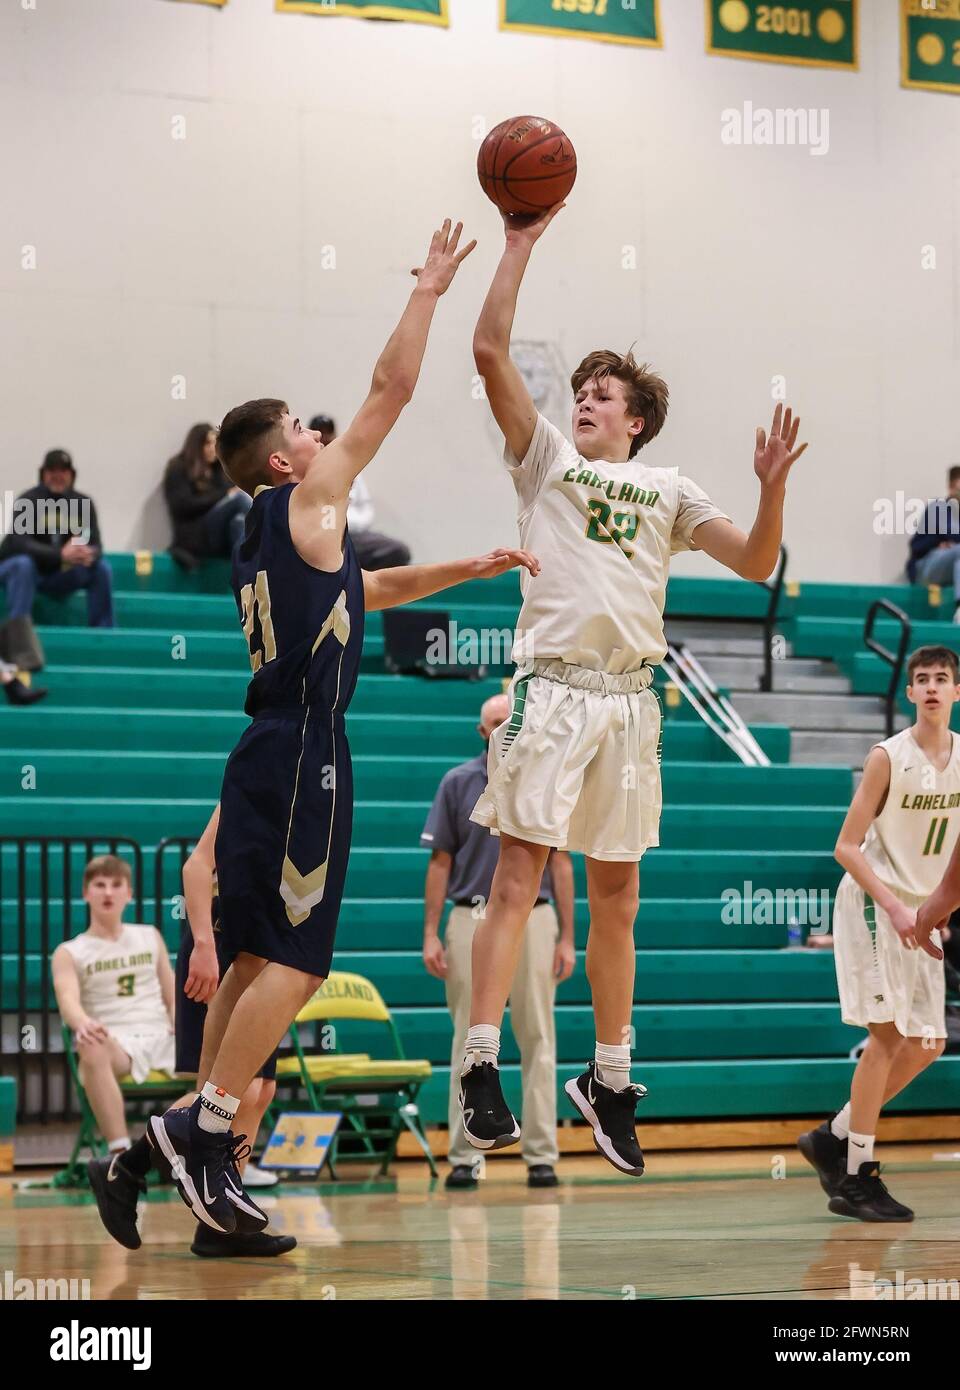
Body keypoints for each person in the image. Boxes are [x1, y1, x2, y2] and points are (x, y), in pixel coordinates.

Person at [145, 218, 540, 1237]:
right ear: (283, 460)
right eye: (306, 433)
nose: (326, 437)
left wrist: (479, 564)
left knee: (246, 963)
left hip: (266, 749)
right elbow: (394, 390)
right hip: (306, 747)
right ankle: (210, 1127)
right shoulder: (310, 495)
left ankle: (191, 1136)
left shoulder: (272, 541)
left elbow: (379, 584)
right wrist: (431, 291)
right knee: (302, 962)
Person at [461, 201, 807, 1176]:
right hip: (555, 689)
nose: (586, 401)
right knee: (520, 880)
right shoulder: (548, 461)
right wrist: (519, 242)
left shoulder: (668, 488)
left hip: (628, 702)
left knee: (618, 899)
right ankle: (481, 1063)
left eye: (604, 394)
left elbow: (755, 559)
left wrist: (772, 483)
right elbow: (489, 350)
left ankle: (610, 1079)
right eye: (581, 390)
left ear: (638, 419)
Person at [87, 807, 296, 1259]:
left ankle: (220, 1224)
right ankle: (124, 1169)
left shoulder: (313, 791)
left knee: (259, 1091)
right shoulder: (256, 776)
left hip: (267, 941)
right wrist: (203, 943)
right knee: (225, 1090)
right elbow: (196, 864)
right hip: (221, 940)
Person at [798, 645, 956, 1222]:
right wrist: (892, 906)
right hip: (875, 902)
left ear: (957, 692)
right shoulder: (888, 757)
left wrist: (940, 910)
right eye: (922, 679)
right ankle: (857, 1177)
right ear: (909, 692)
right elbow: (845, 846)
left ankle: (835, 1134)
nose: (933, 687)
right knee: (886, 1038)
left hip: (925, 908)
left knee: (929, 1043)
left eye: (943, 678)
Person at [422, 693, 575, 1190]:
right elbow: (439, 863)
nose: (499, 729)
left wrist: (568, 936)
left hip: (536, 918)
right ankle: (465, 1156)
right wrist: (430, 931)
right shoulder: (458, 783)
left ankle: (541, 1155)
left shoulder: (548, 778)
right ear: (480, 731)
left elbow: (563, 863)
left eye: (508, 720)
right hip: (471, 915)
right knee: (469, 1037)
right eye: (491, 723)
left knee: (538, 1035)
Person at [51, 857, 176, 1163]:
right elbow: (68, 1000)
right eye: (100, 885)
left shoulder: (150, 936)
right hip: (116, 1041)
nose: (108, 892)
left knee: (223, 1057)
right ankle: (121, 1158)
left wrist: (182, 1026)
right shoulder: (70, 951)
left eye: (116, 884)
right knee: (89, 1044)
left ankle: (169, 1148)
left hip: (163, 1035)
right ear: (86, 893)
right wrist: (82, 1022)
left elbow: (172, 994)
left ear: (129, 893)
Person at [0, 449, 114, 628]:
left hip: (60, 574)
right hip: (26, 571)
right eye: (52, 471)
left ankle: (103, 635)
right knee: (23, 564)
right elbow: (19, 543)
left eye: (63, 471)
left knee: (101, 568)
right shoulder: (29, 500)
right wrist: (60, 554)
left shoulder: (83, 504)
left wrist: (87, 553)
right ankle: (19, 634)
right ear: (43, 474)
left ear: (71, 475)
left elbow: (96, 544)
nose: (58, 476)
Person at [309, 414, 411, 570]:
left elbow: (365, 507)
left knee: (398, 551)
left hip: (354, 534)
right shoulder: (309, 468)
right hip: (326, 533)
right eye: (321, 434)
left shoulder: (350, 467)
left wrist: (349, 523)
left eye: (328, 434)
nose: (325, 439)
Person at [163, 422, 252, 569]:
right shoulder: (179, 468)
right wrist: (223, 495)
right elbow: (183, 505)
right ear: (197, 446)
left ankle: (244, 574)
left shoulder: (219, 470)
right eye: (208, 443)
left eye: (215, 444)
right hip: (196, 534)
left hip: (220, 536)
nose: (213, 449)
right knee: (241, 499)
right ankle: (261, 558)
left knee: (238, 521)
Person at [906, 466, 960, 610]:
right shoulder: (938, 507)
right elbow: (950, 532)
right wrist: (942, 542)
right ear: (951, 487)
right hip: (926, 567)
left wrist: (951, 544)